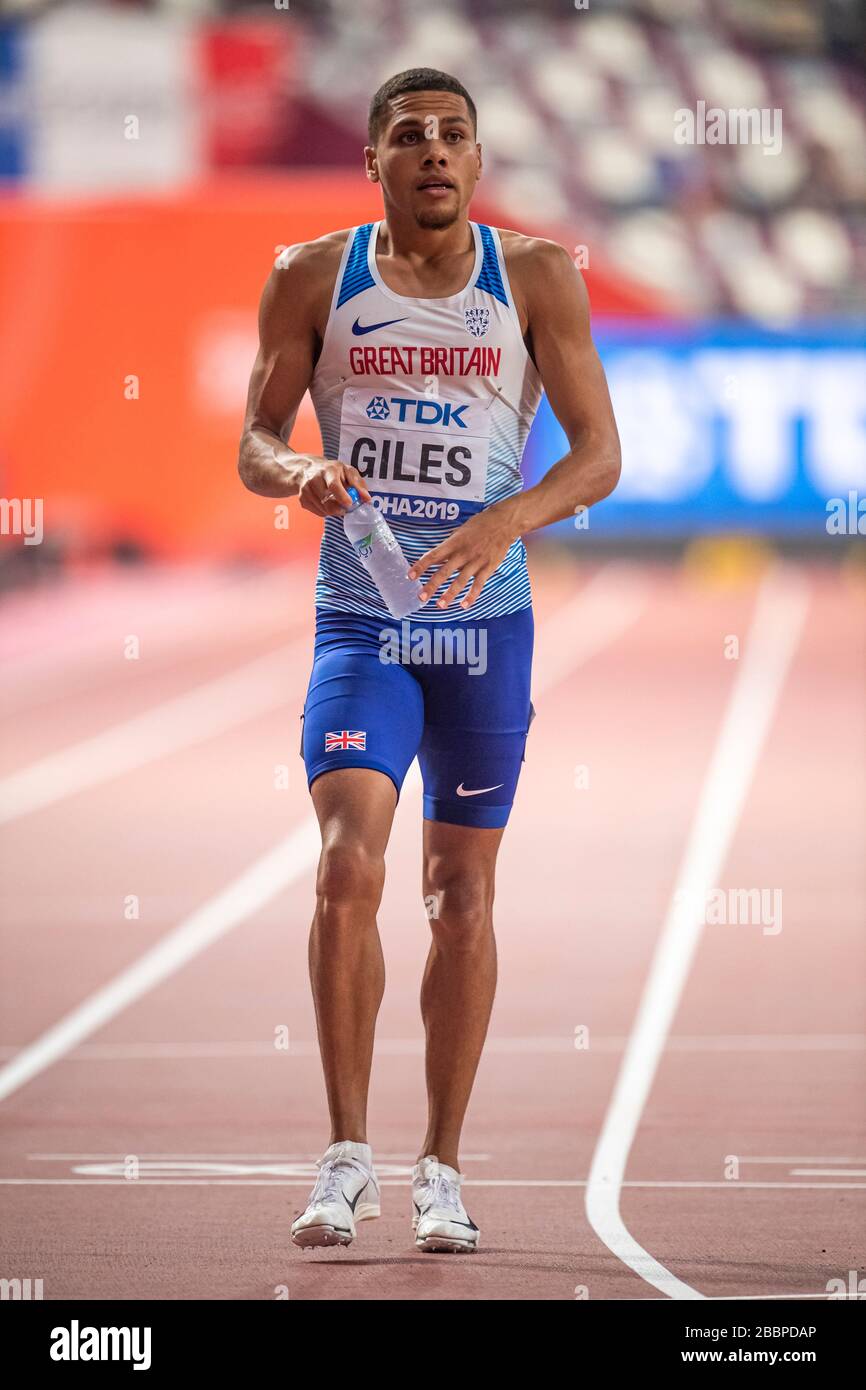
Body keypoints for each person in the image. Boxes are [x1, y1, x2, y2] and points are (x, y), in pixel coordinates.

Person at [238, 67, 621, 1253]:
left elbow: (599, 455)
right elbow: (252, 441)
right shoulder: (313, 275)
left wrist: (512, 516)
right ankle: (345, 1154)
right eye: (411, 137)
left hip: (483, 629)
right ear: (375, 163)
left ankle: (439, 1165)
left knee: (460, 899)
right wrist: (297, 470)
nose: (436, 152)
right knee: (345, 869)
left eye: (456, 134)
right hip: (363, 619)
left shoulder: (537, 276)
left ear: (476, 156)